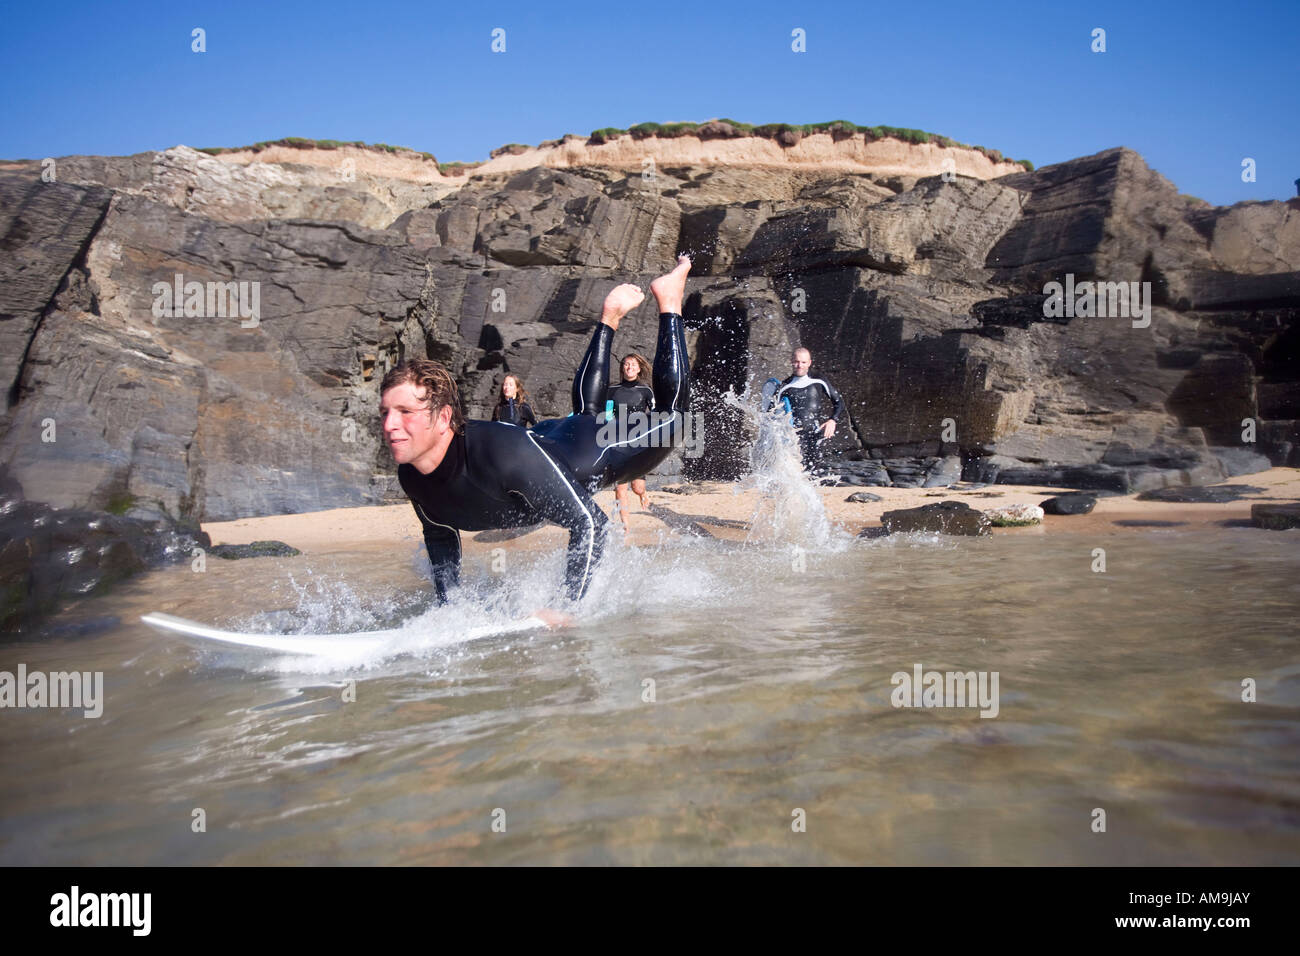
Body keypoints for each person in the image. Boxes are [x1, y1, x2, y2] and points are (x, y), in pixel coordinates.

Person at [381, 255, 693, 616]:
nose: (390, 425)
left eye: (405, 412)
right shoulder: (411, 472)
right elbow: (439, 534)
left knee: (675, 416)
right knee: (584, 413)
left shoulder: (497, 452)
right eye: (386, 412)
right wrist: (448, 613)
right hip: (551, 438)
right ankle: (609, 319)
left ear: (443, 418)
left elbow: (591, 522)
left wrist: (566, 608)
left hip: (592, 449)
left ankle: (669, 301)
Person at [770, 347, 845, 476]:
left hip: (814, 434)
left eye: (803, 362)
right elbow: (771, 415)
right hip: (793, 439)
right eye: (797, 362)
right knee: (794, 475)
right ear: (791, 362)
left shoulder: (819, 380)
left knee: (813, 474)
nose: (800, 365)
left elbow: (839, 403)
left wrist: (832, 420)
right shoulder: (784, 387)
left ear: (809, 363)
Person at [606, 352, 654, 536]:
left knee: (637, 487)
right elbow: (608, 415)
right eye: (626, 364)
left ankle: (642, 494)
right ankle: (625, 526)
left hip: (638, 442)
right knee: (620, 486)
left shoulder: (645, 390)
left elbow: (656, 413)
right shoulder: (613, 390)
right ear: (622, 368)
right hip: (618, 442)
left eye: (633, 365)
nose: (629, 367)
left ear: (639, 368)